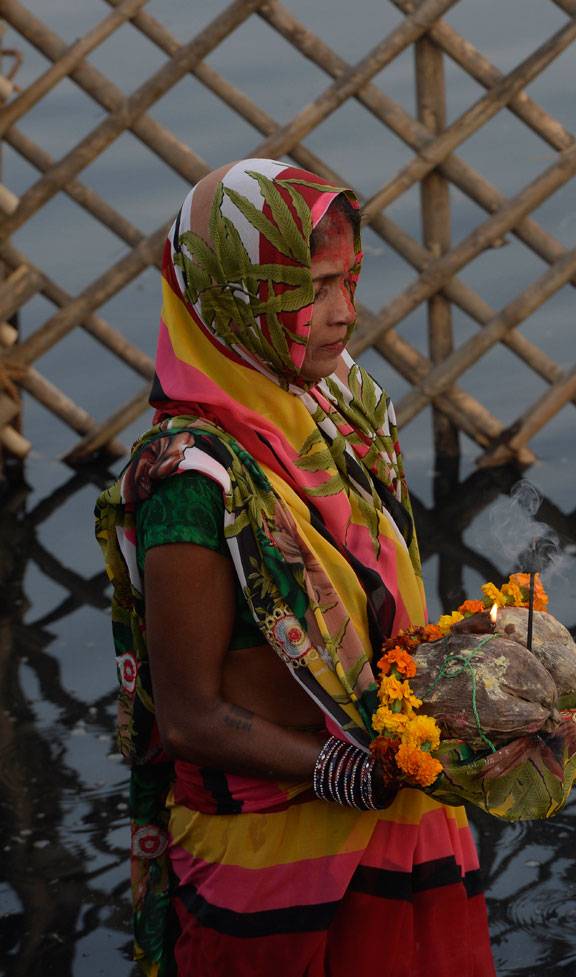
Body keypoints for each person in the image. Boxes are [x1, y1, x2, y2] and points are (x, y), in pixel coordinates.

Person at [95, 158, 496, 977]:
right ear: (234, 295)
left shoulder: (341, 412)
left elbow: (382, 620)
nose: (343, 313)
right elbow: (190, 717)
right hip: (278, 870)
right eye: (310, 289)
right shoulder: (188, 482)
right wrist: (348, 770)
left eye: (349, 280)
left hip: (399, 816)